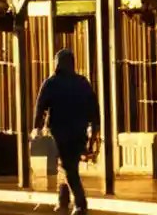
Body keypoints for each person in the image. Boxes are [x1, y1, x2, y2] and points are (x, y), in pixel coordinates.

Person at [33, 49, 101, 215]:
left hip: (60, 131)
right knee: (68, 165)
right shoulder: (83, 83)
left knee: (67, 166)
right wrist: (95, 129)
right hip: (79, 131)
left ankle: (80, 203)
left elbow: (40, 106)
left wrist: (37, 126)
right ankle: (63, 201)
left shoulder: (51, 83)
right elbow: (94, 108)